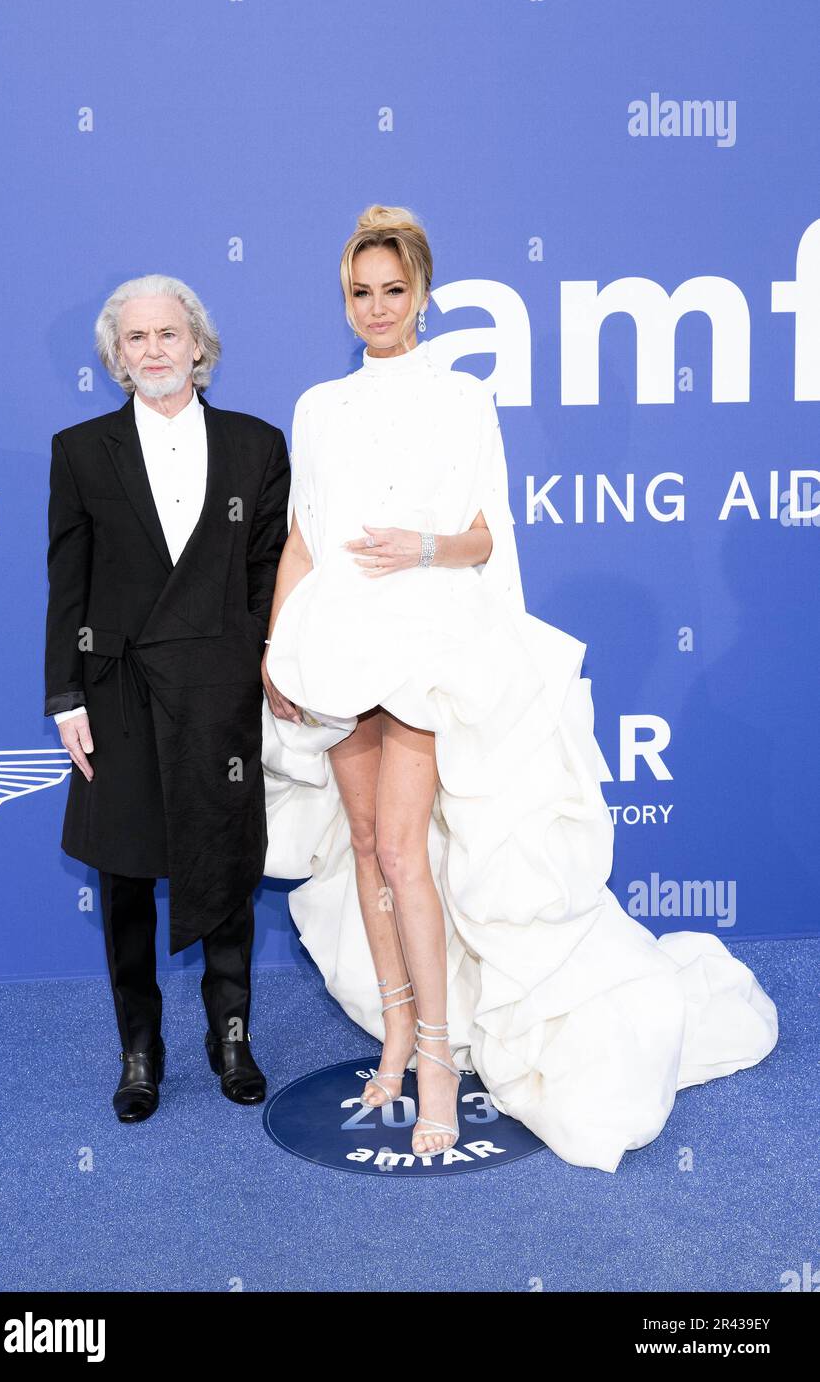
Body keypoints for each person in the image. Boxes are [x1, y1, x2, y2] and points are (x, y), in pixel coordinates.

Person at [257, 205, 778, 1172]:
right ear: (347, 302)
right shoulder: (319, 406)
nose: (377, 309)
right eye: (361, 294)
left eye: (393, 291)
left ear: (421, 295)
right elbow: (300, 535)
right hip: (334, 648)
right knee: (365, 850)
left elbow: (488, 539)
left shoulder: (461, 398)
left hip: (426, 638)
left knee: (408, 855)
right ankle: (396, 1041)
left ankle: (445, 1063)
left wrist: (418, 547)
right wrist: (278, 645)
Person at [44, 274, 290, 1122]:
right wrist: (63, 694)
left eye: (167, 335)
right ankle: (139, 1051)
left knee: (223, 865)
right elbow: (65, 584)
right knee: (124, 877)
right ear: (117, 357)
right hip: (117, 692)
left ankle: (232, 1037)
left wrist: (254, 658)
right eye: (136, 338)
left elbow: (267, 571)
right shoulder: (80, 450)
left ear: (199, 346)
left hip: (217, 691)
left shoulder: (258, 446)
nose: (153, 350)